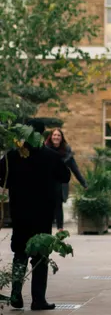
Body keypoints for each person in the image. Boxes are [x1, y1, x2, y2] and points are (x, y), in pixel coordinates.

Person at [0, 120, 71, 310]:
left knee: (20, 253)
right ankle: (38, 299)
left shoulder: (13, 156)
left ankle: (16, 294)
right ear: (42, 134)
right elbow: (65, 177)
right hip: (42, 213)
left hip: (19, 212)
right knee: (40, 255)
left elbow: (2, 178)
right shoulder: (51, 156)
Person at [44, 128, 87, 231]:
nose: (56, 137)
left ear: (61, 138)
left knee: (58, 206)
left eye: (58, 135)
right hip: (46, 183)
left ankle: (60, 229)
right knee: (46, 207)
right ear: (51, 137)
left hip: (60, 184)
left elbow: (75, 169)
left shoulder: (66, 151)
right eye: (54, 135)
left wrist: (84, 183)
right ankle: (45, 229)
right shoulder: (44, 150)